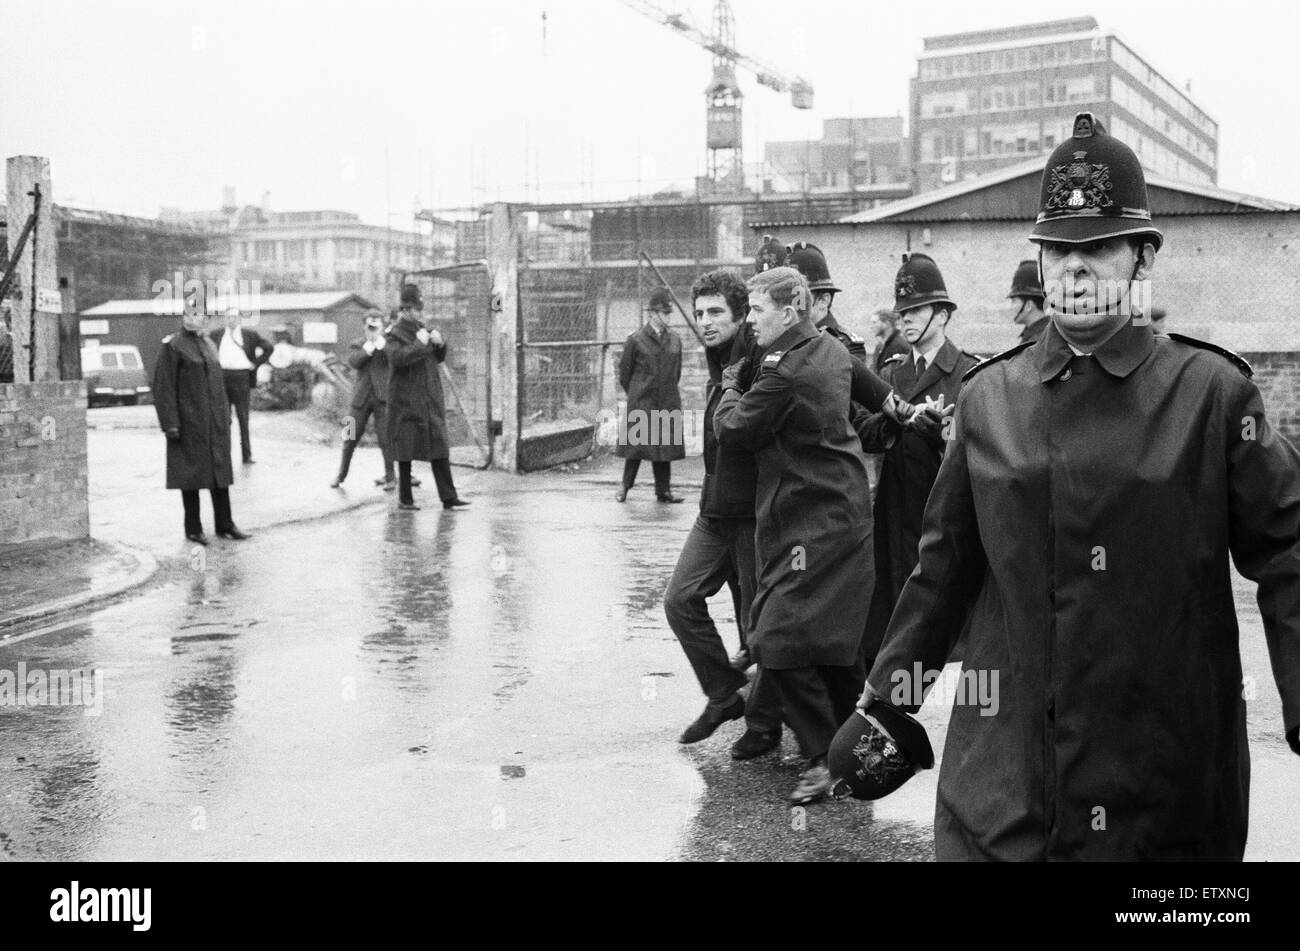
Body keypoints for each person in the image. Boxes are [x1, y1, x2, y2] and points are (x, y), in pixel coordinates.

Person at [860, 112, 1300, 860]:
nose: (1075, 267)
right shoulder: (989, 399)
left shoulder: (1211, 398)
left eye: (1098, 247)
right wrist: (887, 704)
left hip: (1163, 792)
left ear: (1140, 258)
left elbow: (1290, 549)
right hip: (1002, 790)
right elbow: (943, 573)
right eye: (1059, 250)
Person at [714, 266, 901, 805]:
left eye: (756, 310)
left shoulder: (783, 371)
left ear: (789, 310)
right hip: (836, 516)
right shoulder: (834, 350)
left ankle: (824, 759)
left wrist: (730, 385)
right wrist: (914, 415)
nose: (749, 322)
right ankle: (862, 756)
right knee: (834, 649)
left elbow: (734, 431)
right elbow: (884, 398)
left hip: (812, 523)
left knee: (775, 639)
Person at [664, 269, 783, 760]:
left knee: (757, 626)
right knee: (680, 600)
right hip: (714, 511)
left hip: (755, 513)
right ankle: (724, 693)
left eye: (716, 313)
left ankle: (765, 725)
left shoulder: (758, 360)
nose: (706, 322)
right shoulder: (717, 359)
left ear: (741, 317)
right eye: (700, 313)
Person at [856, 253, 979, 670]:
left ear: (942, 315)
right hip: (893, 517)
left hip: (941, 516)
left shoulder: (968, 373)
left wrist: (941, 433)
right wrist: (901, 422)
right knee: (891, 628)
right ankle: (885, 721)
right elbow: (868, 435)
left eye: (917, 311)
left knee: (944, 637)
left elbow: (978, 450)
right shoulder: (890, 374)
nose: (906, 320)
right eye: (902, 312)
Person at [153, 293, 250, 545]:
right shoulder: (173, 346)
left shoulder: (209, 344)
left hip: (214, 423)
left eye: (197, 315)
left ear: (205, 318)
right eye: (187, 314)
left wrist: (224, 416)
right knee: (191, 477)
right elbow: (164, 388)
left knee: (220, 474)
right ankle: (193, 529)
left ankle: (225, 524)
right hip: (189, 423)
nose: (191, 319)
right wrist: (170, 423)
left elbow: (218, 385)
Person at [385, 284, 468, 512]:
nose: (419, 313)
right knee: (405, 450)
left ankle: (449, 497)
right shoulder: (393, 335)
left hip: (429, 400)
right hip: (406, 403)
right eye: (415, 309)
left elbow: (437, 358)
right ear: (405, 309)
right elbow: (398, 359)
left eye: (420, 309)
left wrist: (440, 344)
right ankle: (405, 499)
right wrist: (420, 344)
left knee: (439, 446)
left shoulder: (423, 329)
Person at [615, 287, 685, 503]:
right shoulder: (636, 340)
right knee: (636, 448)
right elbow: (625, 374)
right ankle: (624, 488)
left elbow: (677, 371)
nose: (668, 317)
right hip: (643, 401)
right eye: (664, 313)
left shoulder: (675, 339)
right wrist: (637, 394)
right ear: (653, 314)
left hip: (667, 399)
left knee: (663, 448)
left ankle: (663, 491)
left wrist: (667, 391)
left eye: (669, 313)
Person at [332, 309, 395, 489]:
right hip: (359, 400)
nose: (374, 328)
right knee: (349, 437)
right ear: (364, 326)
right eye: (370, 324)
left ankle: (391, 477)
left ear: (383, 326)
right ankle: (340, 475)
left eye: (377, 324)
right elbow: (354, 362)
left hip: (382, 399)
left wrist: (380, 341)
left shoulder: (388, 344)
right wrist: (369, 345)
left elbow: (393, 358)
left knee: (386, 438)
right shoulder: (357, 344)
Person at [786, 241, 868, 361]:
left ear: (824, 301)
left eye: (799, 297)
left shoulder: (846, 346)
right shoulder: (784, 339)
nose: (791, 304)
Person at [210, 306, 272, 464]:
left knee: (243, 418)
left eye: (234, 317)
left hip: (242, 377)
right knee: (223, 417)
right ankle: (224, 455)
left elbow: (268, 348)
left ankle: (247, 455)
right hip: (222, 377)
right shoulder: (216, 335)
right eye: (228, 317)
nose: (231, 320)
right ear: (224, 319)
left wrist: (255, 364)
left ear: (239, 319)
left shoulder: (249, 335)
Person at [1008, 259, 1049, 344]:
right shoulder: (1045, 334)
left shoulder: (1038, 342)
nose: (1010, 307)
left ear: (1029, 306)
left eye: (1014, 301)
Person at [872, 308, 909, 373]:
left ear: (886, 324)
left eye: (874, 322)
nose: (871, 326)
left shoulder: (899, 345)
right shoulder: (881, 346)